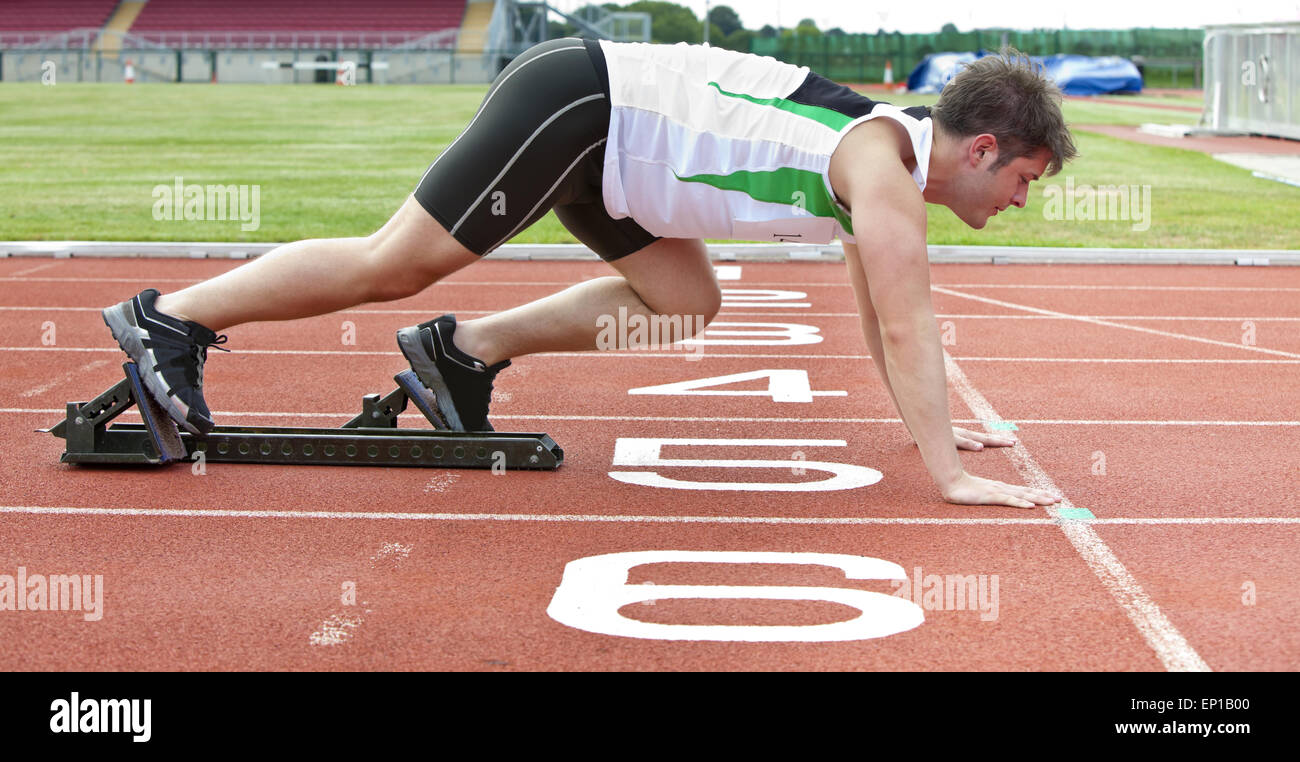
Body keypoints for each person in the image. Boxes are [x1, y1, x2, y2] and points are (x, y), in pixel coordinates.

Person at [103, 39, 1076, 508]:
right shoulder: (883, 173)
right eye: (1025, 179)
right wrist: (946, 475)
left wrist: (938, 440)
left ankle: (463, 354)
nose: (1023, 201)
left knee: (684, 303)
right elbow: (906, 325)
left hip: (621, 164)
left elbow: (882, 321)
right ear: (983, 148)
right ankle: (173, 319)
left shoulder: (890, 163)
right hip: (582, 107)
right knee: (397, 262)